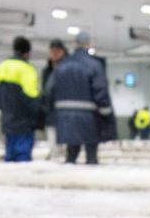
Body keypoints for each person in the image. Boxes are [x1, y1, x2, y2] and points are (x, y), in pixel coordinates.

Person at [46, 36, 110, 165]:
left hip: (65, 117)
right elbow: (100, 91)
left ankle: (67, 182)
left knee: (71, 156)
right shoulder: (94, 65)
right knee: (91, 157)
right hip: (89, 118)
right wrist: (106, 112)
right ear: (89, 45)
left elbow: (49, 91)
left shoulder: (62, 65)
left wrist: (51, 114)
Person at [0, 37, 42, 163]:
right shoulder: (27, 69)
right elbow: (32, 98)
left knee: (9, 158)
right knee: (22, 160)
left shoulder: (1, 67)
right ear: (27, 52)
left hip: (7, 121)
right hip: (24, 124)